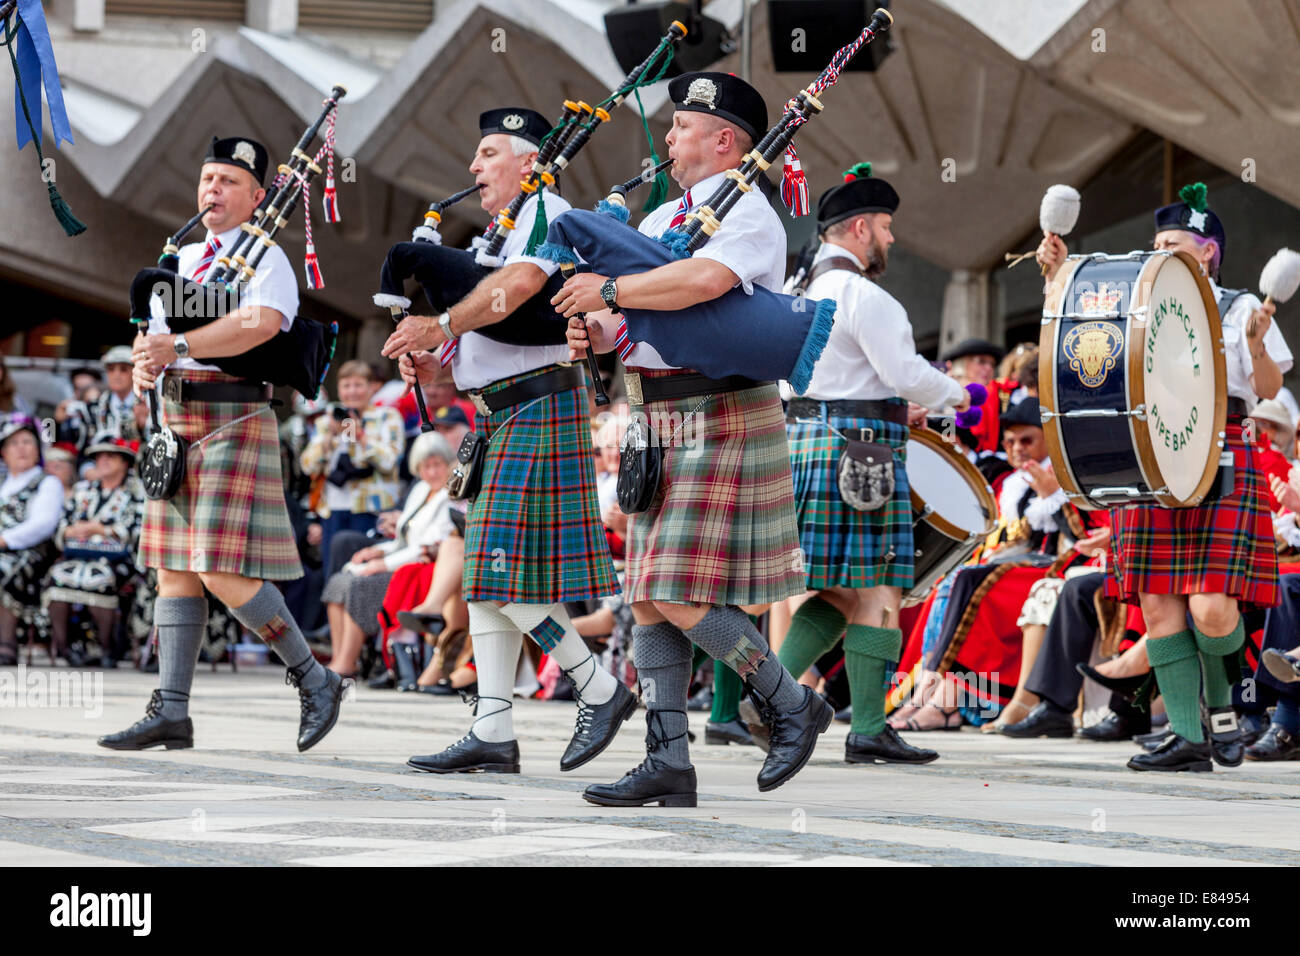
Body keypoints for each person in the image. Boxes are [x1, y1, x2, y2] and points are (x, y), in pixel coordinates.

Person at [558, 72, 831, 806]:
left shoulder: (749, 213)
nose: (668, 138)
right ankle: (669, 759)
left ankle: (790, 702)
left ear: (725, 140)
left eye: (681, 126)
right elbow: (635, 321)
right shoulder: (655, 225)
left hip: (720, 411)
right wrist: (597, 329)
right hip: (657, 416)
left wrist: (612, 291)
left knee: (672, 592)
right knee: (648, 599)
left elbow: (703, 283)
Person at [383, 107, 630, 776]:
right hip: (502, 415)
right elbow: (491, 321)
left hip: (538, 405)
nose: (473, 167)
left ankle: (599, 687)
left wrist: (438, 325)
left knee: (496, 572)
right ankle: (493, 727)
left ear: (529, 162)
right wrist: (438, 358)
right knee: (492, 581)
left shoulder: (549, 210)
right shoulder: (504, 228)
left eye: (488, 153)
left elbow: (519, 290)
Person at [100, 134, 348, 752]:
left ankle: (315, 678)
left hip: (233, 418)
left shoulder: (267, 259)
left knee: (219, 568)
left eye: (229, 181)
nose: (214, 189)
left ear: (258, 195)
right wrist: (143, 364)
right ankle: (172, 711)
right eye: (208, 179)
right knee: (175, 571)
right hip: (176, 424)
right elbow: (151, 337)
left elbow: (261, 324)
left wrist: (180, 345)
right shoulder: (181, 261)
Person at [1038, 181, 1290, 772]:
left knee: (1210, 608)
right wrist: (1054, 279)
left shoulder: (1242, 306)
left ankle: (1224, 714)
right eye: (1154, 243)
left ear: (1206, 251)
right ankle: (1187, 736)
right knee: (1157, 607)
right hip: (1150, 449)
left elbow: (1270, 389)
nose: (1157, 252)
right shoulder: (1136, 303)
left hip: (1220, 449)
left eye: (1171, 242)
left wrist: (1253, 347)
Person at [754, 163, 970, 764]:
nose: (891, 238)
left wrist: (897, 409)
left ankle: (771, 692)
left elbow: (839, 380)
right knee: (880, 588)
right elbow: (906, 375)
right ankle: (863, 727)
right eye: (885, 226)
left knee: (840, 592)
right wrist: (961, 397)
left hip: (805, 444)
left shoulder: (795, 296)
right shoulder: (863, 295)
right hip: (860, 451)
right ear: (857, 229)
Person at [320, 431, 456, 677]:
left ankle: (347, 661)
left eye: (438, 465)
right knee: (338, 582)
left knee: (360, 585)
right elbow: (405, 538)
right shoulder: (420, 491)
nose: (433, 472)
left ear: (448, 463)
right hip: (401, 559)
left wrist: (383, 564)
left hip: (422, 566)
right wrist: (376, 551)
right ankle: (341, 657)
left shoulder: (451, 497)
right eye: (426, 466)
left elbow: (424, 548)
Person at [43, 436, 146, 665]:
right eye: (99, 456)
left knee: (100, 579)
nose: (103, 460)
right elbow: (62, 523)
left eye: (111, 456)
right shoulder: (82, 490)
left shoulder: (136, 492)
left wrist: (103, 529)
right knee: (56, 578)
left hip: (117, 559)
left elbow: (139, 528)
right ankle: (65, 649)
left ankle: (108, 649)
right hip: (78, 554)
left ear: (125, 462)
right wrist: (71, 531)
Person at [300, 359, 406, 566]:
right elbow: (307, 466)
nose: (352, 391)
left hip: (371, 510)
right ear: (338, 389)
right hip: (334, 510)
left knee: (361, 570)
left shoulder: (387, 417)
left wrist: (361, 436)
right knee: (333, 574)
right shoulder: (327, 421)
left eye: (358, 385)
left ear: (371, 387)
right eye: (346, 386)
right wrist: (329, 437)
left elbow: (389, 463)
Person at [0, 418, 63, 664]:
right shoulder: (4, 485)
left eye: (27, 442)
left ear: (38, 449)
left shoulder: (46, 482)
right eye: (14, 443)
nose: (22, 448)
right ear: (4, 453)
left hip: (32, 554)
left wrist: (5, 540)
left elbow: (43, 525)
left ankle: (6, 642)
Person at [55, 345, 140, 456]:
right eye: (111, 369)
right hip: (99, 468)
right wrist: (55, 422)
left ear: (135, 372)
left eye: (123, 369)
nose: (116, 375)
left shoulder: (147, 405)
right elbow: (81, 446)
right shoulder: (92, 408)